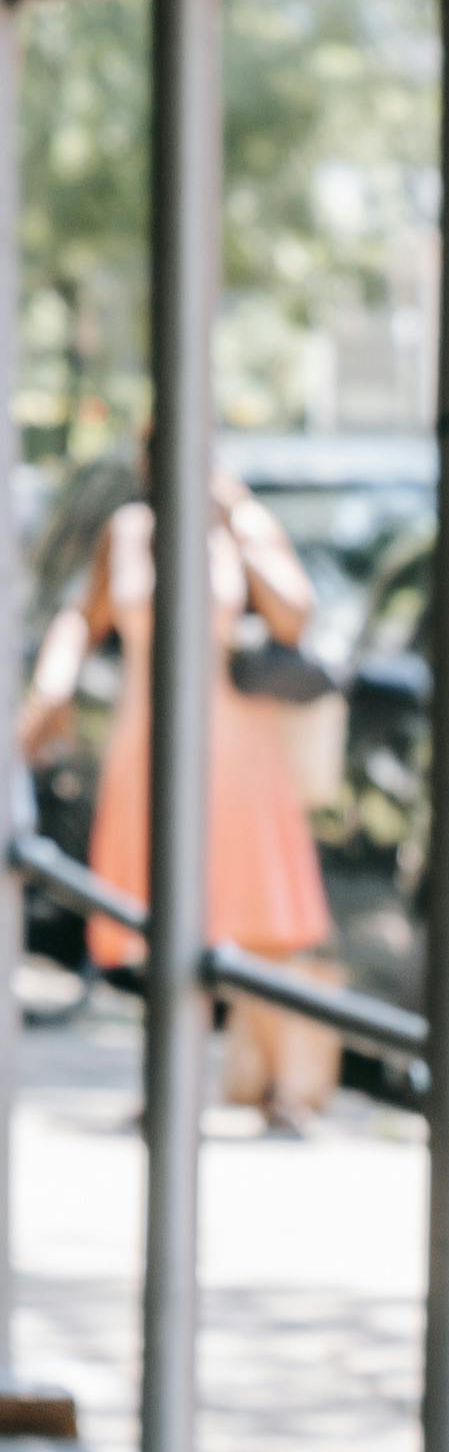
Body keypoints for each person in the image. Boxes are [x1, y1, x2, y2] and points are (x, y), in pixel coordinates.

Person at [22, 449, 338, 1123]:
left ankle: (280, 1086)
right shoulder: (129, 532)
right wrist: (51, 690)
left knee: (260, 921)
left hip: (237, 752)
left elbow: (294, 615)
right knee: (157, 915)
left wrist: (239, 519)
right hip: (149, 746)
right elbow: (84, 615)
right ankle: (170, 1081)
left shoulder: (240, 527)